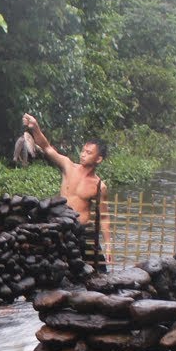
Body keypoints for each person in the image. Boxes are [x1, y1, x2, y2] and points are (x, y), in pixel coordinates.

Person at [21, 113, 111, 266]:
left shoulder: (99, 186)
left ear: (98, 159)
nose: (83, 154)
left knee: (99, 272)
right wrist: (35, 127)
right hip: (62, 227)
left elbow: (103, 217)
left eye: (89, 153)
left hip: (83, 232)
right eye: (83, 150)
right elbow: (47, 148)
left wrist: (109, 245)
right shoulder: (68, 167)